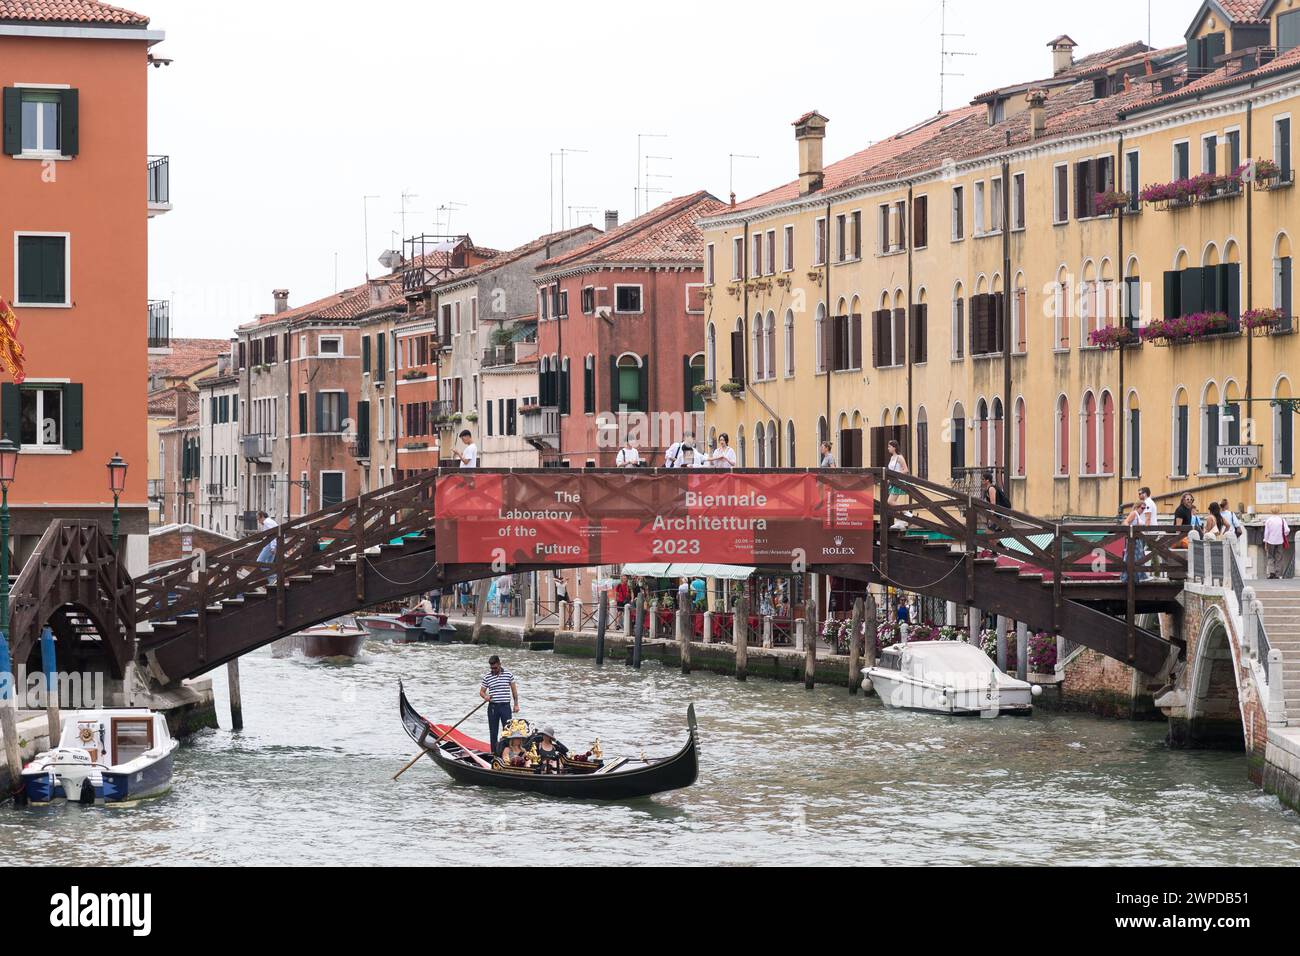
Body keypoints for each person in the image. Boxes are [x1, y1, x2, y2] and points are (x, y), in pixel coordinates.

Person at [479, 655, 520, 755]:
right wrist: (485, 696)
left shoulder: (509, 675)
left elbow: (514, 691)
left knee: (507, 731)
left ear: (499, 664)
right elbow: (481, 692)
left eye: (495, 668)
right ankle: (494, 753)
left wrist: (516, 704)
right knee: (493, 731)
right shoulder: (487, 677)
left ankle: (506, 752)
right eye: (492, 668)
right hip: (493, 707)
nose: (493, 670)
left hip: (505, 707)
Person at [887, 440, 910, 531]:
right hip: (893, 482)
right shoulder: (892, 457)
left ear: (894, 447)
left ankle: (905, 512)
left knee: (890, 501)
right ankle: (899, 521)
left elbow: (906, 470)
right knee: (893, 502)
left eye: (889, 447)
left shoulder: (899, 457)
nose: (888, 448)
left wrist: (896, 474)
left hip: (898, 481)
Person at [1264, 506, 1290, 579]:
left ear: (1271, 511)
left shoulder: (1268, 520)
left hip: (1270, 541)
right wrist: (1283, 534)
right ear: (1279, 511)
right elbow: (1287, 530)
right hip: (1280, 541)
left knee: (1270, 557)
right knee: (1279, 557)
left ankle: (1271, 572)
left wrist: (1265, 542)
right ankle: (1277, 574)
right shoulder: (1282, 520)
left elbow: (1266, 533)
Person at [255, 511, 279, 584]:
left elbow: (274, 534)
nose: (259, 522)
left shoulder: (267, 522)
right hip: (273, 544)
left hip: (270, 545)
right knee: (269, 563)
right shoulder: (270, 521)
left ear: (262, 516)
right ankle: (272, 582)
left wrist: (273, 547)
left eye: (259, 519)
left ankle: (273, 577)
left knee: (259, 562)